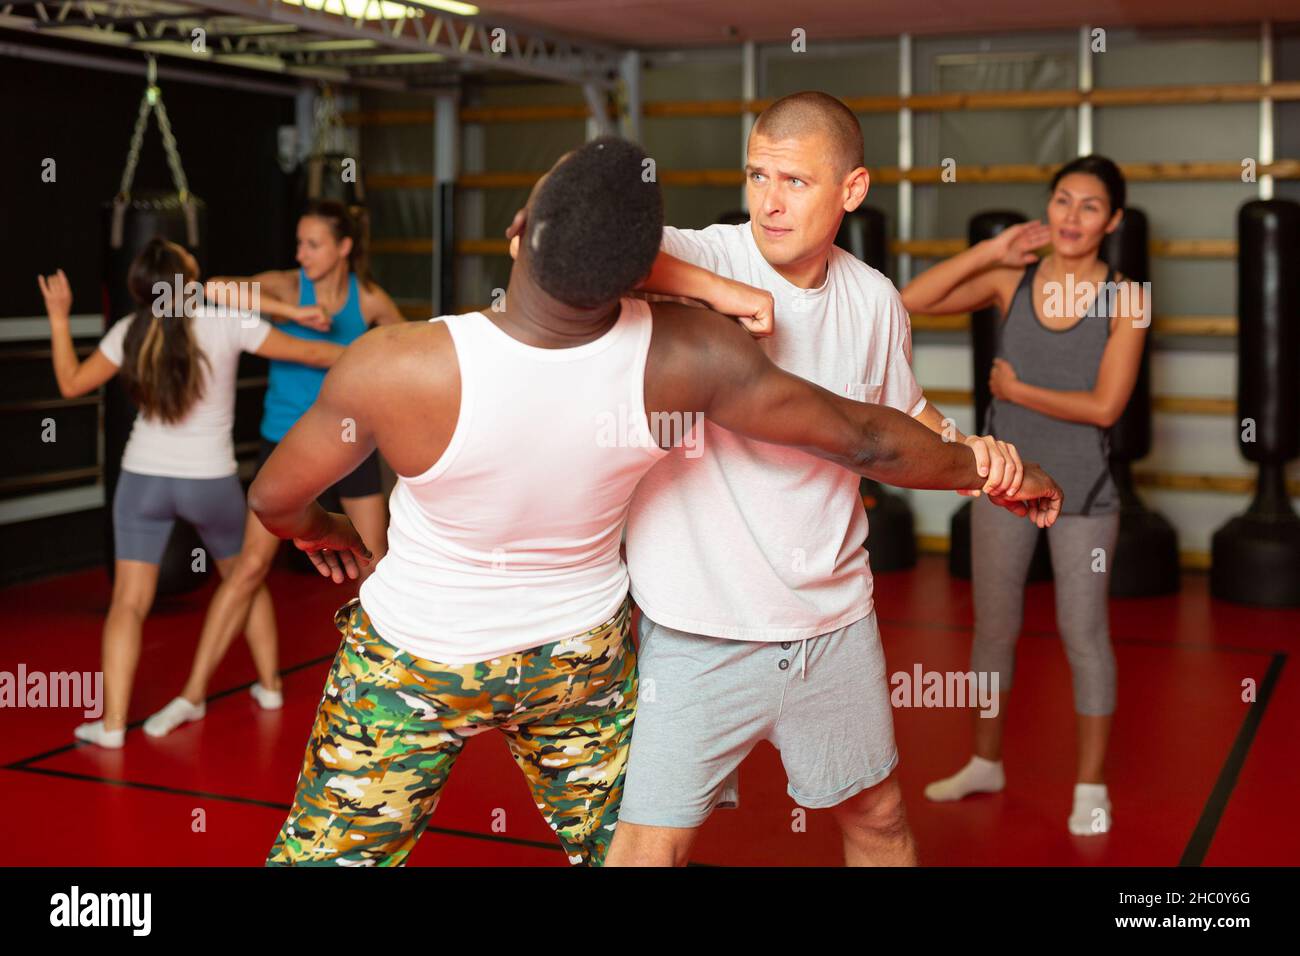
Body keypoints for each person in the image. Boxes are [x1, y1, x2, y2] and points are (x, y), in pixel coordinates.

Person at [247, 136, 1062, 866]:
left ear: (522, 229)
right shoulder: (687, 354)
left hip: (415, 656)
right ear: (646, 265)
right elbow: (866, 439)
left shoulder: (397, 365)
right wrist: (987, 470)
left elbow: (275, 498)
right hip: (579, 663)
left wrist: (319, 530)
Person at [606, 91, 1021, 868]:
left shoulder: (872, 300)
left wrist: (974, 458)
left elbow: (902, 410)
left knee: (880, 821)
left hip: (832, 629)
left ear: (851, 191)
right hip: (700, 630)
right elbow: (565, 240)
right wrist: (724, 296)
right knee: (646, 851)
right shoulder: (703, 257)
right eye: (758, 175)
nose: (768, 201)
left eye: (794, 181)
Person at [902, 155, 1147, 835]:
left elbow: (1105, 407)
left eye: (1090, 206)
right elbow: (909, 300)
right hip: (1002, 487)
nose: (1072, 217)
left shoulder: (1128, 298)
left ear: (1114, 220)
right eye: (1062, 201)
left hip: (1084, 495)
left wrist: (1016, 392)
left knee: (1084, 633)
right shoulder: (1014, 278)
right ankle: (985, 762)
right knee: (993, 630)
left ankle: (1090, 785)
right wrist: (990, 250)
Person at [36, 239, 343, 749]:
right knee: (244, 579)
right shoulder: (223, 320)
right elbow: (310, 352)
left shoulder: (129, 330)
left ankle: (112, 726)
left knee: (128, 604)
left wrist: (59, 315)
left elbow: (70, 383)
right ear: (185, 276)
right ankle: (268, 686)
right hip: (209, 483)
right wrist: (376, 351)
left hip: (142, 481)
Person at [143, 200, 404, 738]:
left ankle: (390, 689)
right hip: (287, 445)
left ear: (343, 248)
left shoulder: (370, 299)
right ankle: (192, 695)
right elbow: (211, 287)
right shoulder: (286, 286)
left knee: (379, 568)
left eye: (312, 244)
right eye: (300, 242)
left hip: (351, 442)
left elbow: (405, 350)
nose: (301, 253)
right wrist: (293, 314)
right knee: (248, 570)